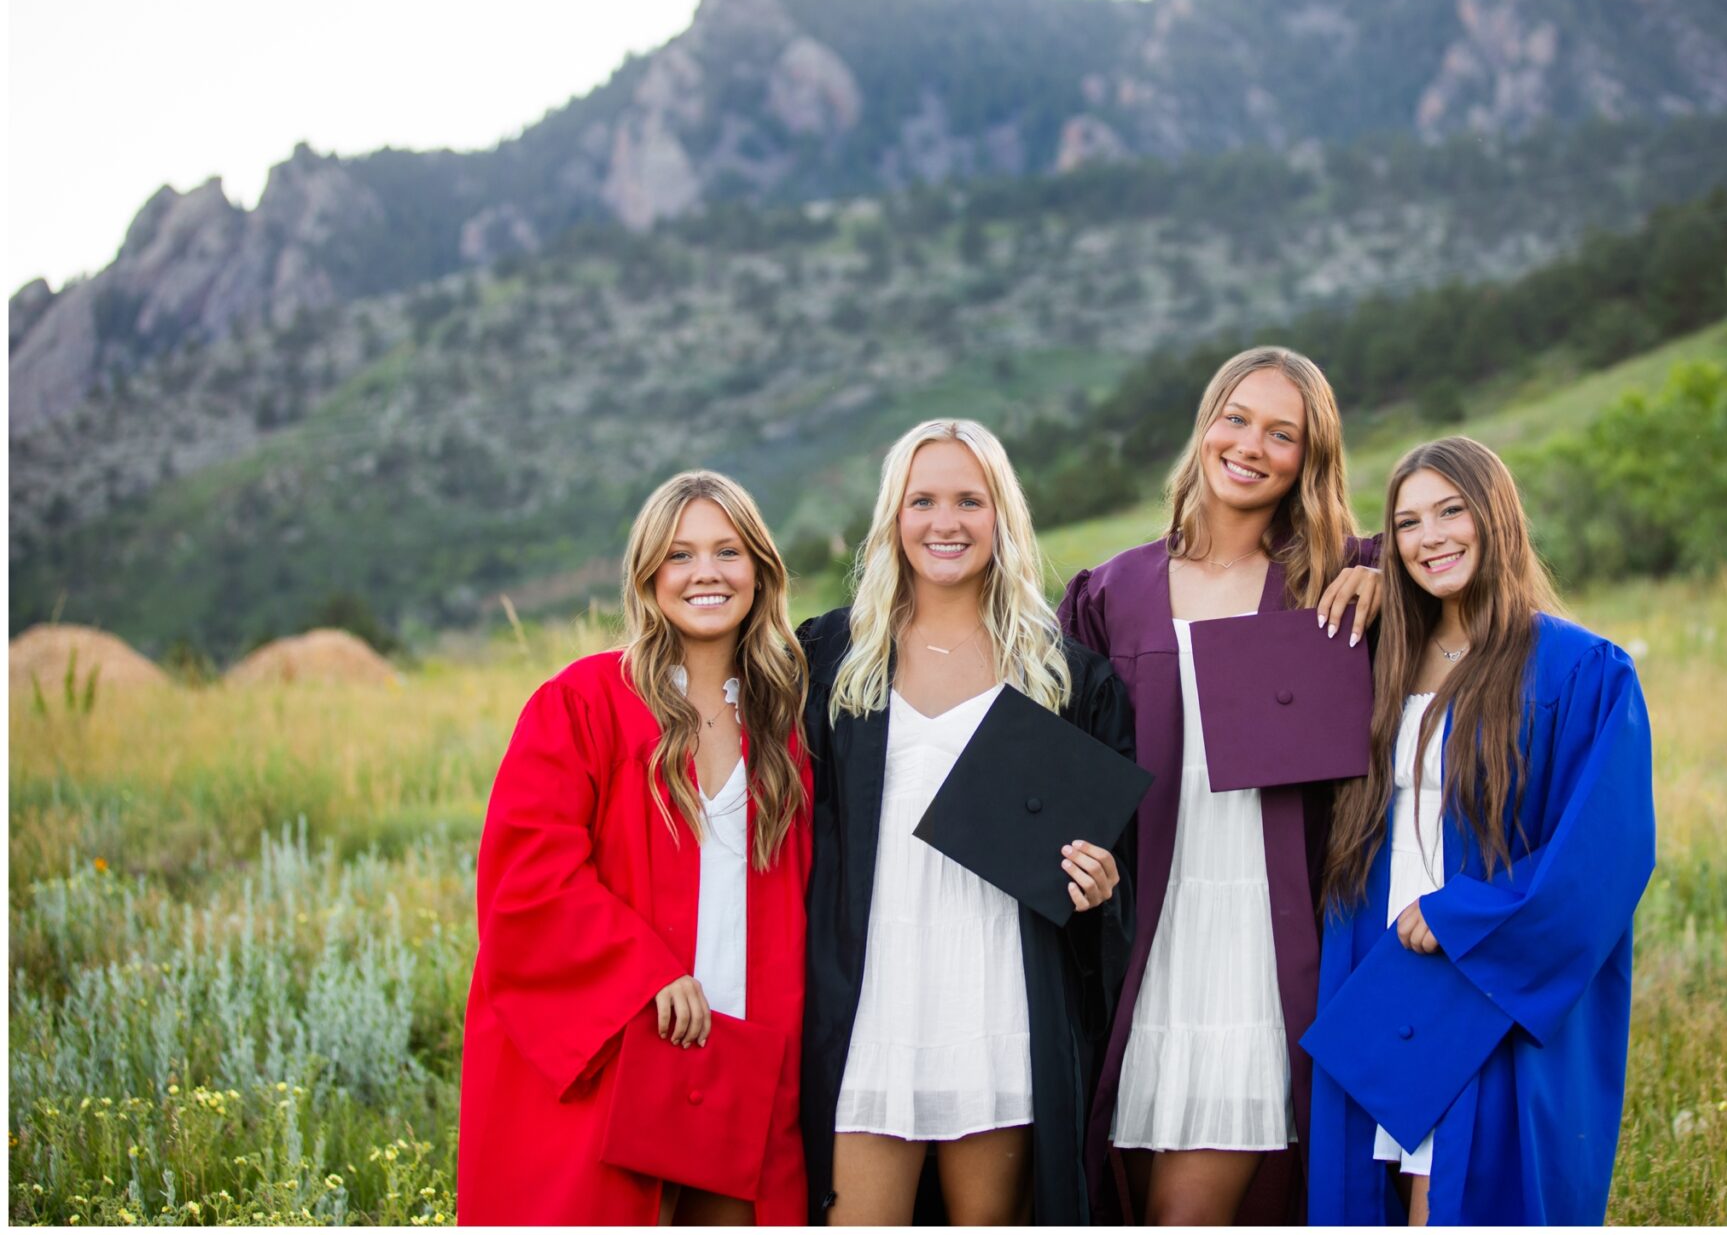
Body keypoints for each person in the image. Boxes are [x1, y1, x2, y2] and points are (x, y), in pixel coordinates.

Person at [1057, 346, 1383, 1225]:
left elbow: (1469, 578)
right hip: (1147, 932)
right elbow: (1059, 755)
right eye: (1236, 417)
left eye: (1284, 433)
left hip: (1258, 937)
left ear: (1308, 462)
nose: (1251, 444)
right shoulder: (1112, 592)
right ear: (1206, 423)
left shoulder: (1332, 581)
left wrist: (1383, 574)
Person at [1304, 436, 1655, 1226]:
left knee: (1456, 1192)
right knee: (1375, 1193)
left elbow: (1605, 858)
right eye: (1408, 523)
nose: (1432, 537)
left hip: (1479, 976)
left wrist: (1465, 917)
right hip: (1373, 963)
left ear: (1495, 515)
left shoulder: (1580, 671)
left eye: (1451, 511)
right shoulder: (1376, 658)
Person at [798, 418, 1138, 1226]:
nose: (945, 522)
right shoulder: (833, 656)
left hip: (997, 1007)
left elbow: (1107, 868)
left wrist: (1100, 881)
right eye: (922, 500)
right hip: (870, 1007)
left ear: (1002, 516)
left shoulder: (1062, 676)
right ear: (893, 516)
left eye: (968, 500)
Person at [457, 471, 812, 1226]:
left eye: (727, 550)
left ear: (760, 569)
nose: (706, 572)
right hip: (626, 1052)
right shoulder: (583, 702)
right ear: (649, 577)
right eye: (680, 555)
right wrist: (643, 973)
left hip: (750, 1062)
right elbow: (527, 878)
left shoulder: (787, 725)